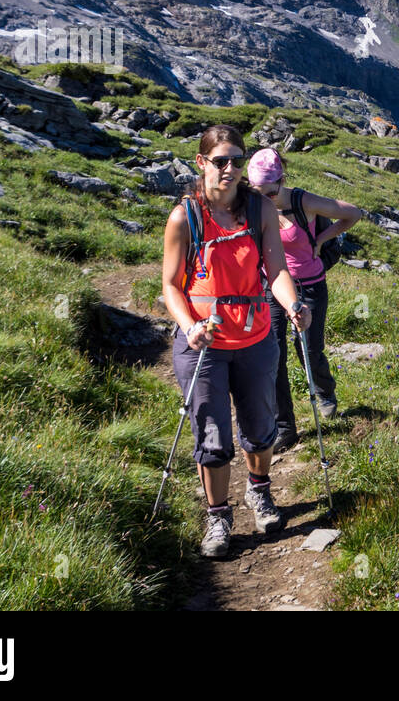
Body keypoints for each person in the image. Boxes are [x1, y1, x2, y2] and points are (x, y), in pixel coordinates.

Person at [162, 125, 311, 559]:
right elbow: (171, 286)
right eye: (220, 160)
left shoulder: (260, 210)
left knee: (262, 427)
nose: (230, 168)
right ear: (201, 162)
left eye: (237, 160)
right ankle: (218, 516)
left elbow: (277, 269)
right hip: (203, 342)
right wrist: (189, 325)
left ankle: (259, 492)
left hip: (255, 335)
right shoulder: (184, 217)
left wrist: (291, 304)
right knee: (211, 434)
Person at [248, 148, 362, 446]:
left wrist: (320, 239)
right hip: (272, 288)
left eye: (270, 193)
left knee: (309, 350)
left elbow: (353, 213)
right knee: (274, 355)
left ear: (282, 180)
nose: (265, 199)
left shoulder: (303, 201)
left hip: (309, 286)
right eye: (258, 193)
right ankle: (284, 427)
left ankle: (324, 391)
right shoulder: (253, 205)